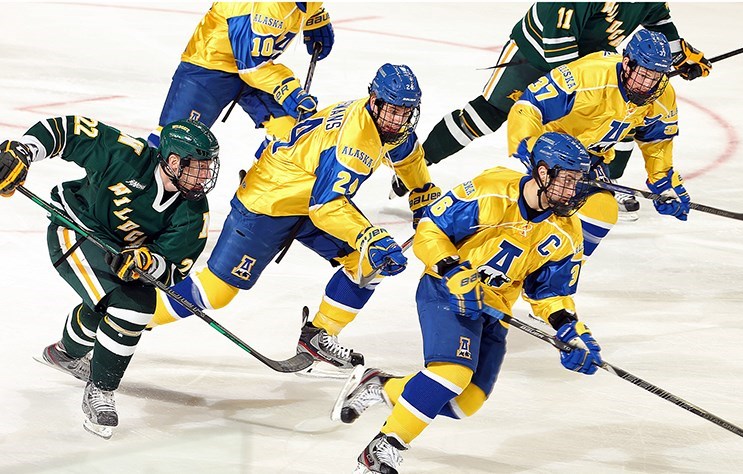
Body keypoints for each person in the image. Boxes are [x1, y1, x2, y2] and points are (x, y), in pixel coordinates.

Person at [333, 132, 604, 473]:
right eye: (567, 180)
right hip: (447, 290)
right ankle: (382, 449)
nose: (574, 190)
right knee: (452, 373)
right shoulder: (493, 189)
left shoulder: (567, 231)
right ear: (542, 172)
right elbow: (430, 228)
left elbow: (550, 292)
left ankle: (382, 385)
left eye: (578, 181)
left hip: (495, 308)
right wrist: (452, 269)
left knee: (465, 402)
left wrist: (572, 331)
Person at [146, 64, 441, 374]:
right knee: (216, 292)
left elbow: (408, 156)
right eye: (393, 110)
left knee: (366, 262)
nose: (398, 119)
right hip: (270, 200)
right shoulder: (353, 143)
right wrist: (369, 236)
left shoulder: (386, 126)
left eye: (405, 112)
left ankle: (318, 336)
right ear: (374, 101)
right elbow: (326, 207)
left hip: (308, 197)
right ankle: (133, 317)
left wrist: (422, 190)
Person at [0, 118, 220, 438]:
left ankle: (64, 354)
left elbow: (173, 268)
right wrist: (23, 151)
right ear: (173, 162)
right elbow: (68, 131)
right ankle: (101, 390)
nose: (205, 175)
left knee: (115, 304)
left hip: (117, 253)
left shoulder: (193, 212)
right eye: (198, 166)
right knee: (133, 308)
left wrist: (146, 261)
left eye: (208, 166)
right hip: (75, 227)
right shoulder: (126, 156)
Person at [392, 2, 709, 220]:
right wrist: (586, 88)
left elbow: (659, 20)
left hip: (592, 61)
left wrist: (677, 55)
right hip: (536, 53)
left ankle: (600, 185)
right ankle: (415, 168)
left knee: (625, 113)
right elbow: (558, 44)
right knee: (487, 115)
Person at [507, 29, 690, 259]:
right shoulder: (588, 75)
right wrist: (530, 147)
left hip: (592, 159)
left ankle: (565, 267)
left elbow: (657, 142)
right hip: (555, 154)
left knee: (603, 211)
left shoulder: (661, 95)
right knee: (543, 209)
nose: (648, 85)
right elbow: (529, 106)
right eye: (644, 75)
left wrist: (664, 182)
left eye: (656, 77)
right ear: (627, 63)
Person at [147, 2, 336, 149]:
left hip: (258, 70)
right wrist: (288, 89)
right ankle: (140, 182)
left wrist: (314, 16)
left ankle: (261, 187)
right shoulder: (265, 7)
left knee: (292, 131)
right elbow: (251, 68)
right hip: (210, 68)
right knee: (176, 141)